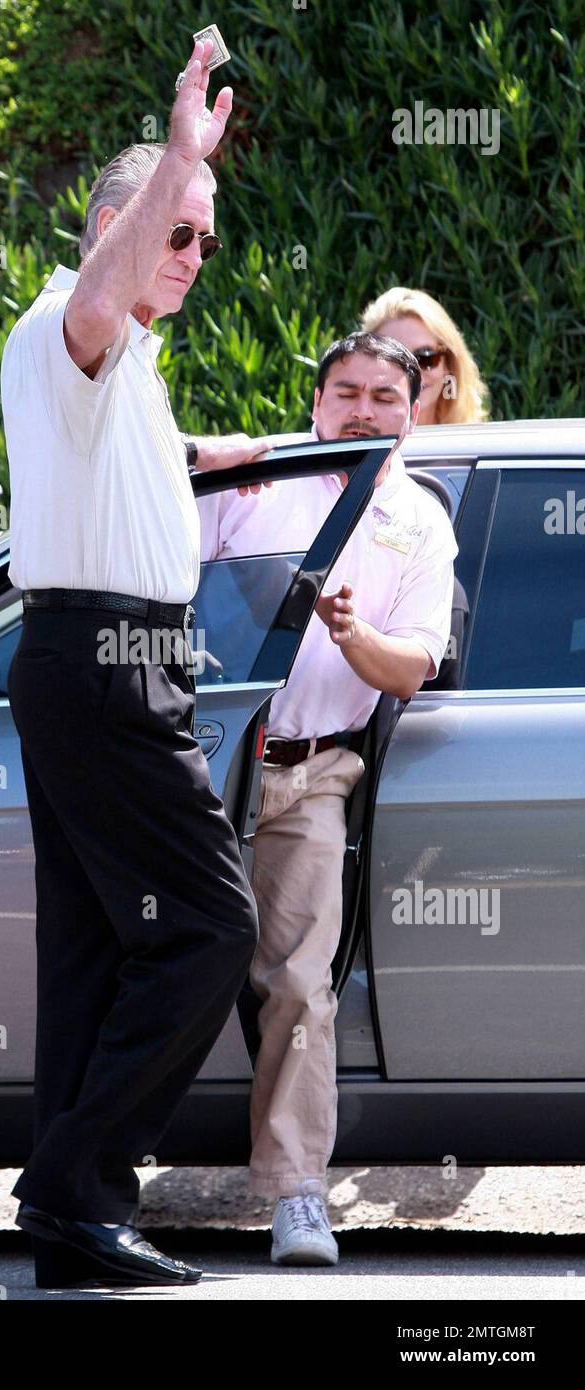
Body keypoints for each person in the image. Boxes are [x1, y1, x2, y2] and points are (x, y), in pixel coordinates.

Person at [0, 38, 273, 1290]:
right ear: (115, 223)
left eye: (205, 235)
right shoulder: (71, 325)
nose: (193, 252)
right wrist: (177, 154)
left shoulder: (129, 369)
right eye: (178, 227)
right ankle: (75, 1185)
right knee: (212, 929)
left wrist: (227, 457)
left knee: (100, 950)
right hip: (106, 666)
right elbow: (93, 312)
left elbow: (127, 456)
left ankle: (73, 1227)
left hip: (104, 664)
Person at [198, 332, 459, 1267]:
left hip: (314, 776)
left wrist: (353, 637)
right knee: (159, 967)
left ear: (414, 409)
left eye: (384, 397)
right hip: (199, 768)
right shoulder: (253, 479)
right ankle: (94, 1181)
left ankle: (296, 1195)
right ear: (315, 402)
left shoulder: (420, 521)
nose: (362, 410)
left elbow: (414, 666)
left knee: (301, 989)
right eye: (344, 392)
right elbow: (157, 586)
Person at [360, 286, 489, 425]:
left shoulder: (478, 444)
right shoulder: (350, 444)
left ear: (448, 365)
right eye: (394, 360)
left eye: (426, 358)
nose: (412, 373)